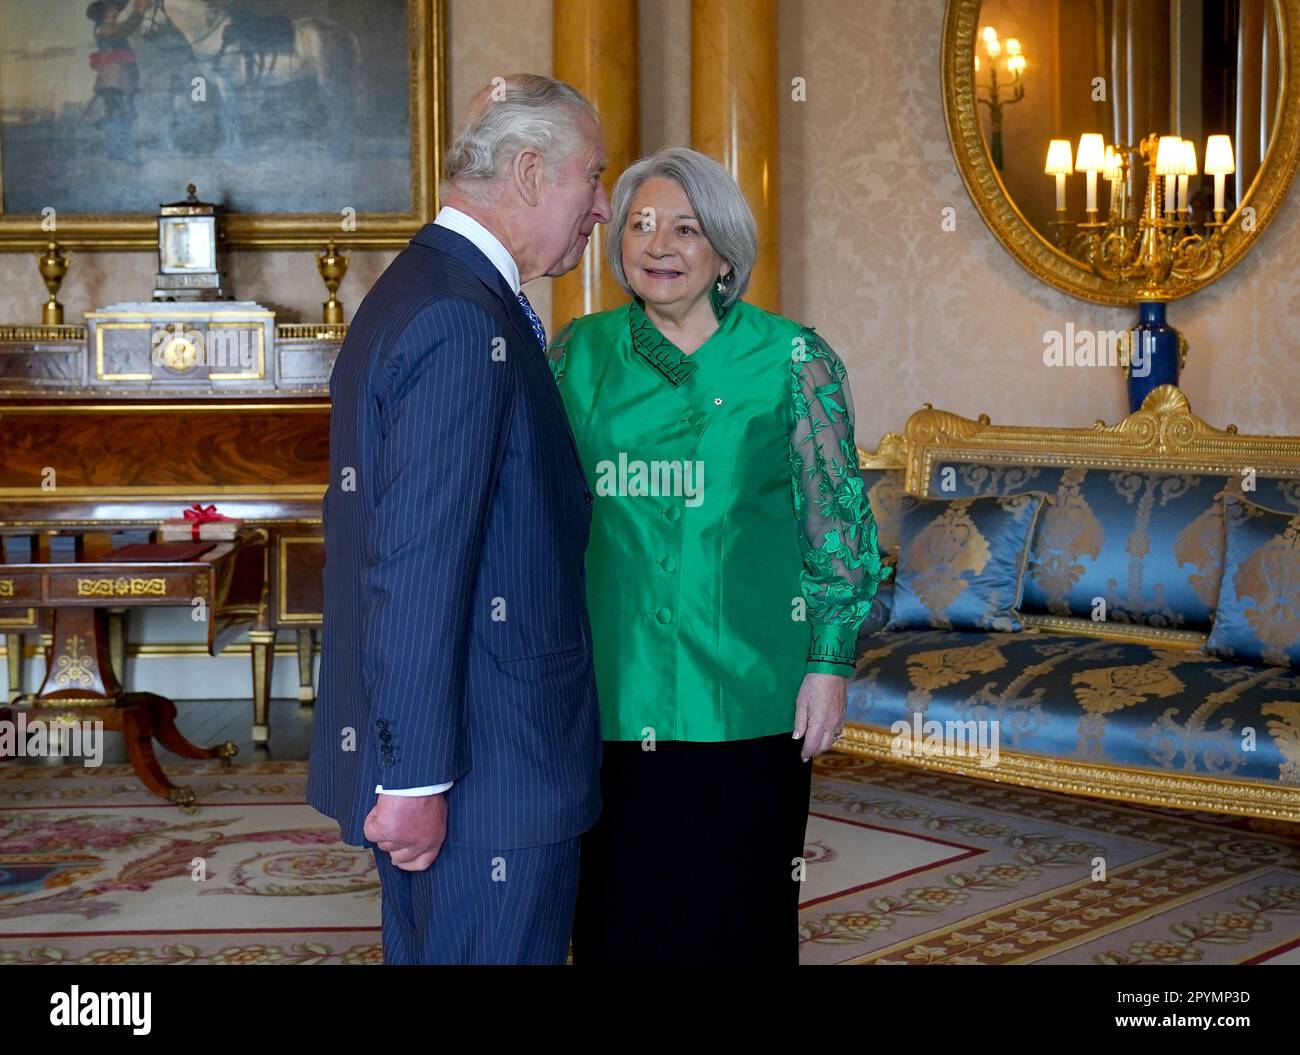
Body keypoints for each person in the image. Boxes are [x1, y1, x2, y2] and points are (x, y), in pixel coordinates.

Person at [551, 147, 889, 965]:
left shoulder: (793, 360)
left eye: (684, 228)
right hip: (611, 687)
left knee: (739, 915)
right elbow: (544, 515)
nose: (657, 244)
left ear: (725, 252)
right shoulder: (577, 354)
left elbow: (837, 527)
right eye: (638, 224)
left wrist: (830, 663)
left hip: (748, 691)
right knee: (616, 913)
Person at [308, 74, 611, 965]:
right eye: (590, 178)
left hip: (478, 759)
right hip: (488, 773)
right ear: (528, 171)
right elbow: (414, 565)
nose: (599, 208)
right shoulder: (455, 316)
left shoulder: (436, 287)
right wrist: (414, 777)